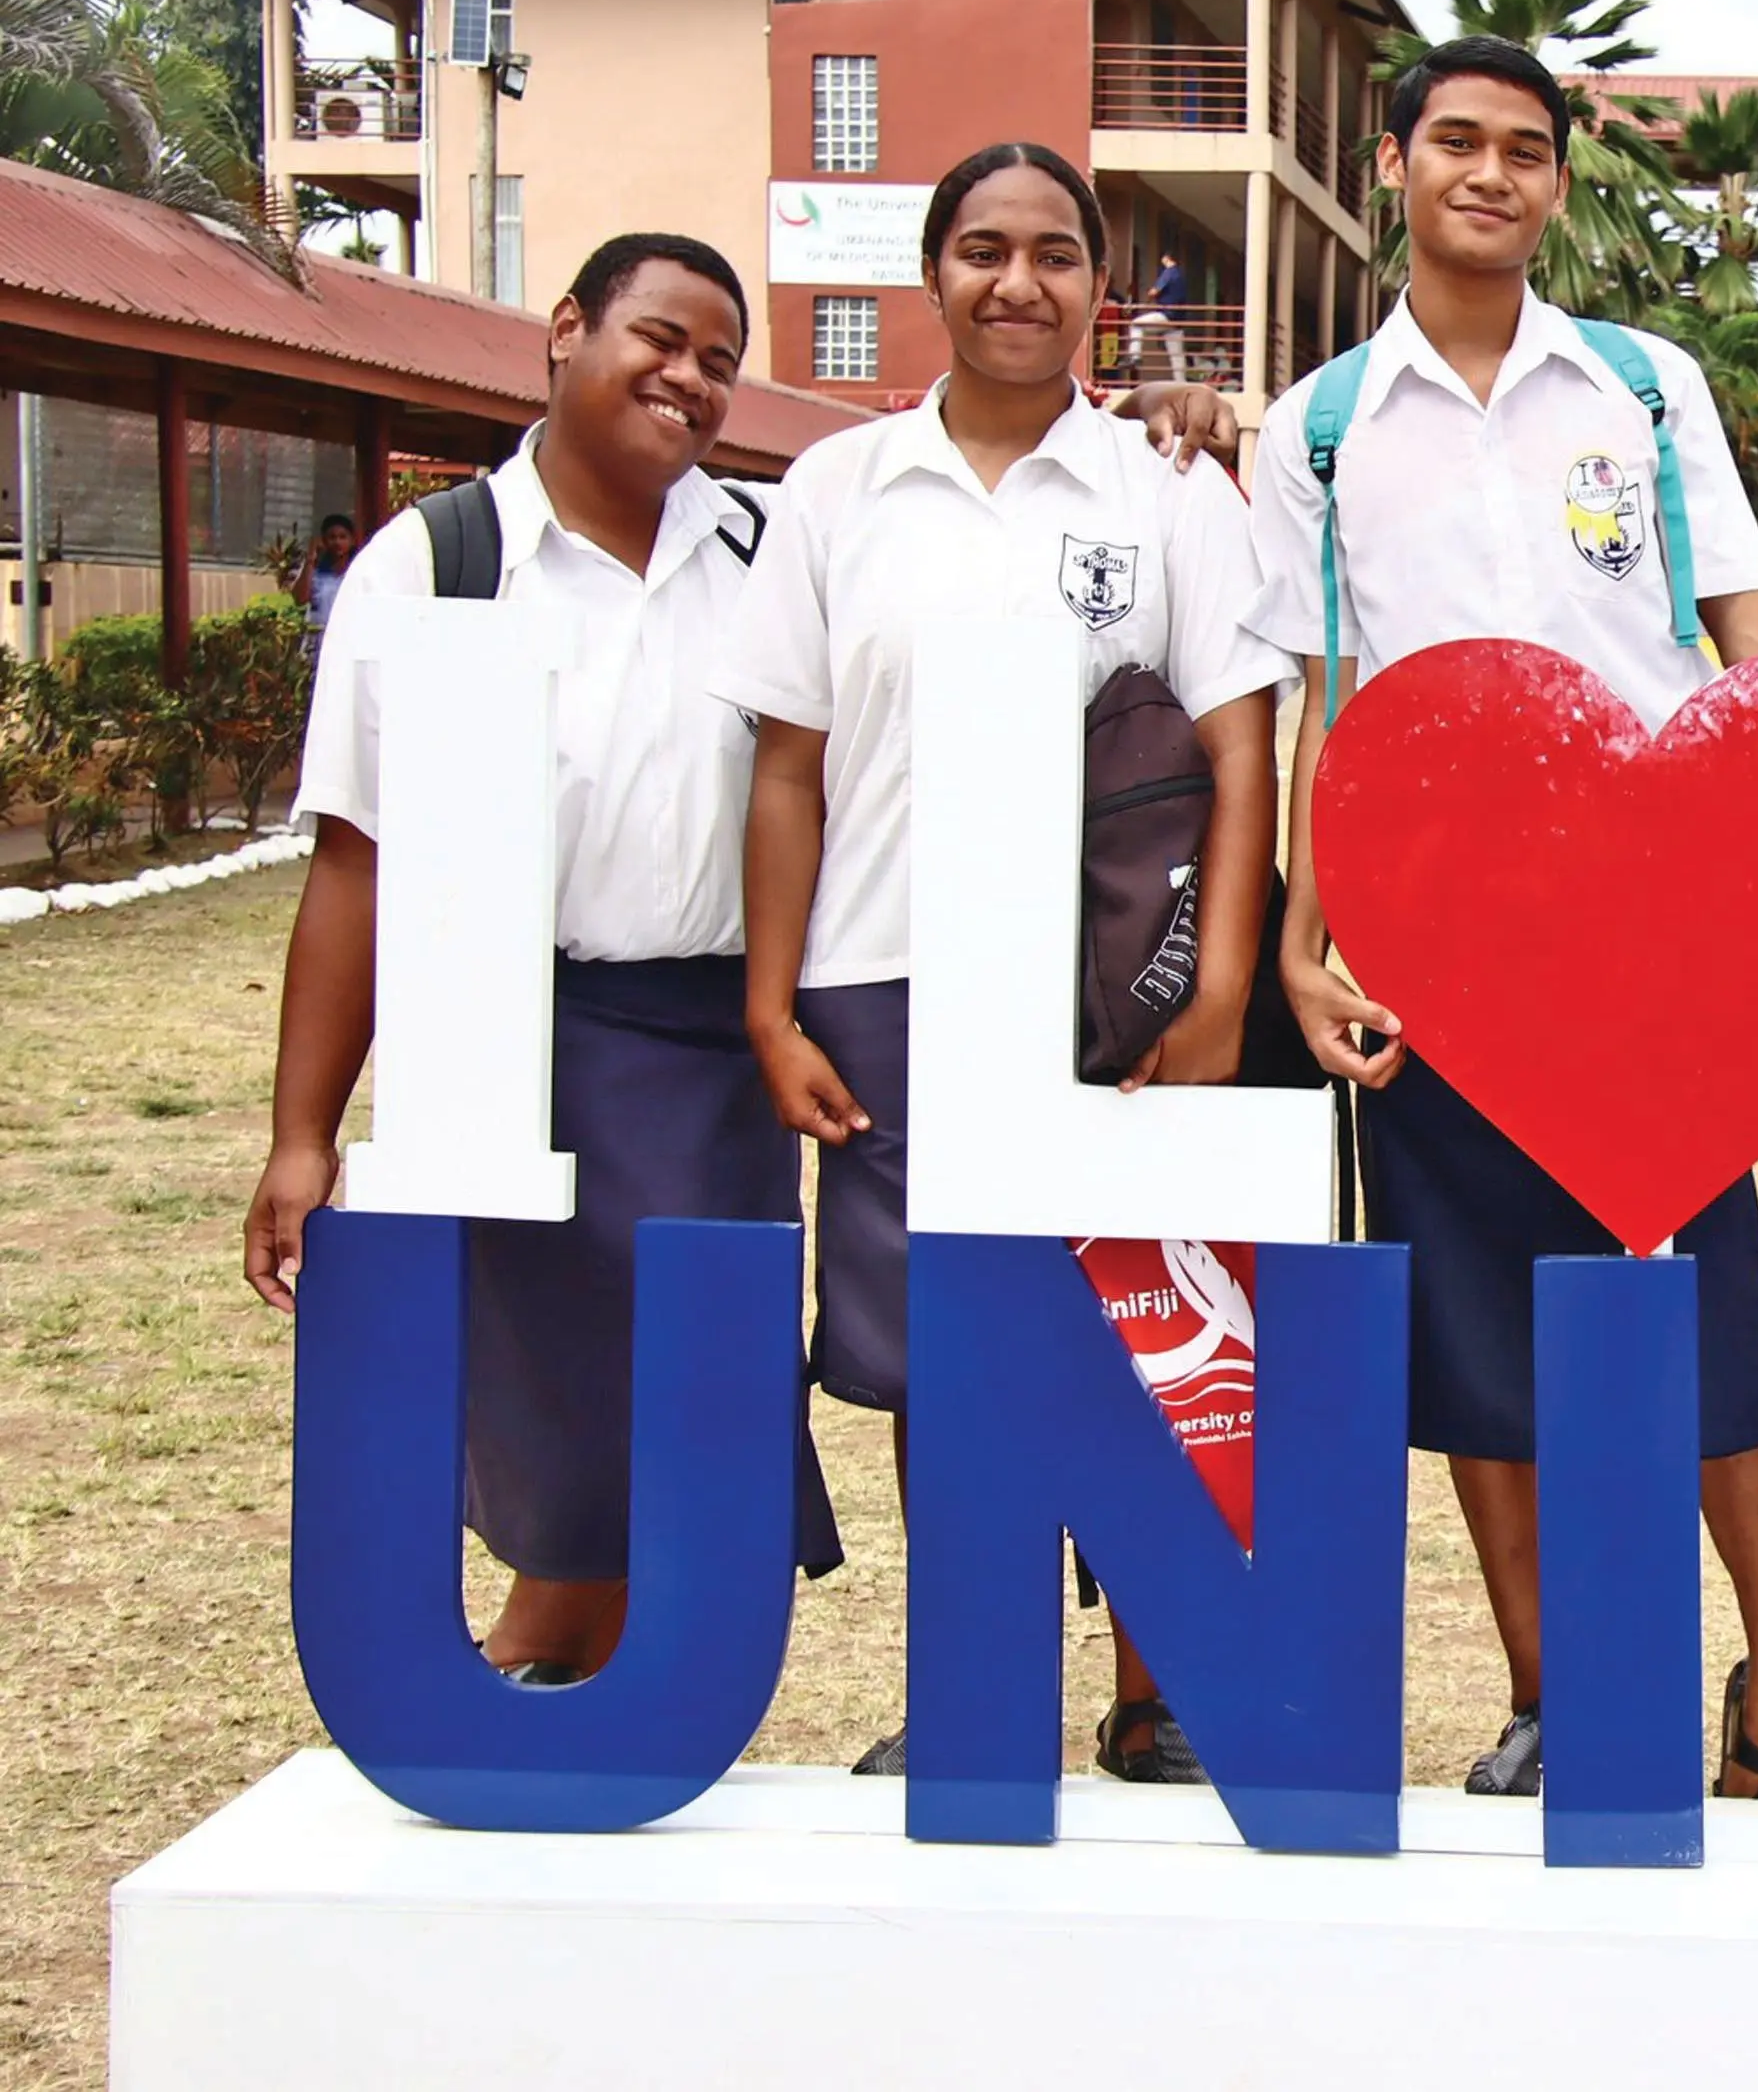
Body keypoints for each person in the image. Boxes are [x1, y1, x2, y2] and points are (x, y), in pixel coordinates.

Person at [1248, 35, 1758, 1804]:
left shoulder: (1644, 393)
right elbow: (1324, 711)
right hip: (1431, 934)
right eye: (1457, 143)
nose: (1491, 174)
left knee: (1705, 1309)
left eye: (1525, 149)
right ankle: (1554, 1683)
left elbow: (1748, 624)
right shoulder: (1323, 424)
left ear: (1560, 181)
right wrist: (1300, 937)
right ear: (1395, 166)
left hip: (1652, 920)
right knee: (1476, 1328)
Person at [716, 143, 1294, 1783]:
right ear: (933, 273)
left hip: (1113, 989)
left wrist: (1220, 986)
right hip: (894, 978)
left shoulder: (1163, 486)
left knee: (1145, 1325)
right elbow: (786, 764)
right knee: (939, 1345)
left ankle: (1156, 1680)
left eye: (1053, 252)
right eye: (981, 249)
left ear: (1099, 287)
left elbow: (1241, 746)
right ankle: (976, 1669)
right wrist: (772, 998)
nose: (1016, 281)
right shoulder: (837, 490)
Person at [244, 232, 843, 1682]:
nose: (689, 378)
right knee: (569, 1471)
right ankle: (516, 1720)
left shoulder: (771, 553)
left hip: (713, 1063)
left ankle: (589, 1769)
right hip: (517, 1054)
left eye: (720, 359)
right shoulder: (439, 562)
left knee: (690, 1467)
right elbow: (357, 861)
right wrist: (302, 1133)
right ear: (566, 329)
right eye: (660, 337)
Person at [1135, 245, 1194, 385]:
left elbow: (1154, 291)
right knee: (1177, 356)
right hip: (1178, 320)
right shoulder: (1181, 276)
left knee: (1136, 324)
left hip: (1166, 315)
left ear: (1166, 258)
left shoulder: (1169, 272)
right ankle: (1181, 384)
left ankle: (1135, 355)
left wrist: (1146, 300)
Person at [299, 513, 356, 647]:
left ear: (352, 540)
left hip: (347, 641)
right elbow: (300, 599)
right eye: (332, 537)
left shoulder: (357, 571)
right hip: (317, 640)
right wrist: (310, 560)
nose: (337, 542)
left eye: (343, 537)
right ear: (324, 540)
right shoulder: (315, 570)